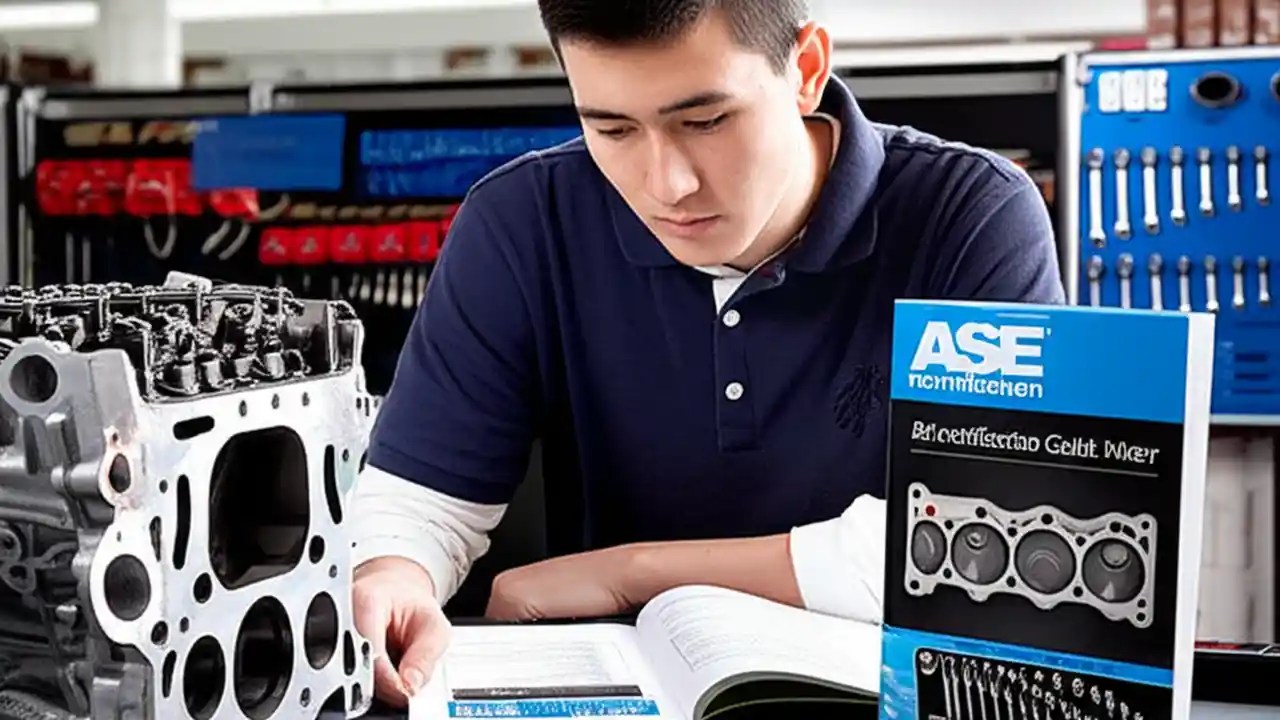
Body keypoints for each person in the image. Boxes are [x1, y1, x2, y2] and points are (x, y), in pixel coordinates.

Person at [349, 0, 1065, 708]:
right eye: (612, 128)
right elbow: (418, 508)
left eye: (706, 121)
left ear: (806, 68)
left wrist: (634, 573)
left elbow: (1003, 544)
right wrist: (392, 576)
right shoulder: (519, 221)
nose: (669, 185)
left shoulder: (972, 215)